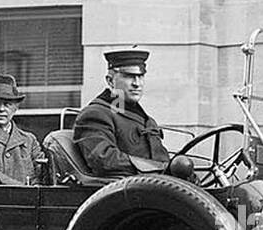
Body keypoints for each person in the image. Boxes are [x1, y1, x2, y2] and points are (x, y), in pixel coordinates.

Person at [73, 49, 190, 179]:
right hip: (125, 194)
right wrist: (161, 169)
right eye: (128, 76)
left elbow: (162, 161)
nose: (136, 84)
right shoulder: (95, 115)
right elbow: (105, 160)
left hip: (155, 189)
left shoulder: (147, 121)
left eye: (140, 77)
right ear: (111, 81)